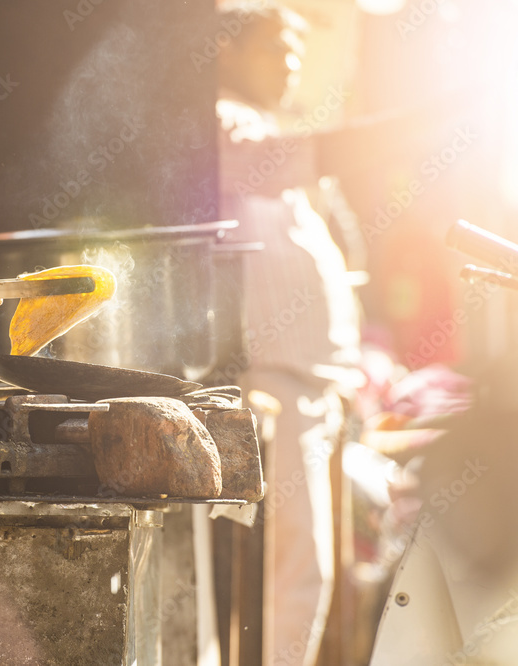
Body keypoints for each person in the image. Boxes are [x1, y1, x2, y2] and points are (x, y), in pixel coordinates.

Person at [215, 4, 362, 665]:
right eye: (276, 43)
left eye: (299, 44)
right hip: (268, 386)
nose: (291, 56)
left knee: (304, 577)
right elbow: (270, 163)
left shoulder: (267, 126)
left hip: (311, 389)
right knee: (289, 580)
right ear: (227, 50)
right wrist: (396, 138)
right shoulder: (220, 122)